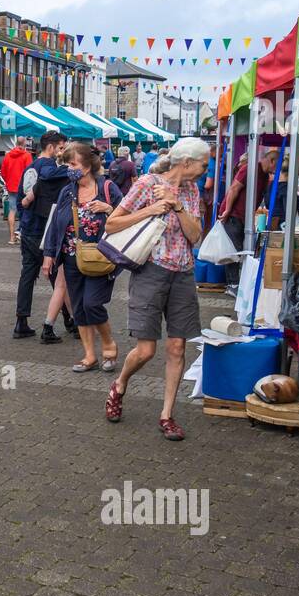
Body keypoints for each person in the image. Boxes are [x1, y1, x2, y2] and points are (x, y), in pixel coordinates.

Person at [103, 137, 209, 441]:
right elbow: (112, 224)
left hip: (183, 274)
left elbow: (195, 236)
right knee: (146, 350)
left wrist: (177, 205)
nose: (206, 169)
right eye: (203, 164)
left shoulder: (191, 190)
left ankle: (167, 415)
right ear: (186, 162)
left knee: (177, 347)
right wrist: (151, 210)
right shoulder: (147, 184)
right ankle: (120, 384)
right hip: (150, 272)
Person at [43, 143, 123, 372]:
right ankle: (89, 355)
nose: (69, 169)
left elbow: (127, 215)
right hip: (71, 257)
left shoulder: (107, 188)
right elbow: (55, 225)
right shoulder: (67, 191)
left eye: (73, 164)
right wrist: (48, 254)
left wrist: (108, 209)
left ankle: (108, 344)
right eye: (67, 164)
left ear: (87, 167)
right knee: (79, 307)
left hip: (101, 257)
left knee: (92, 303)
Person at [13, 133, 69, 339]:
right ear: (51, 147)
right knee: (58, 278)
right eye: (61, 148)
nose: (63, 152)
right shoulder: (49, 167)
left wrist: (24, 214)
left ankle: (21, 321)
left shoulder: (31, 167)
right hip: (43, 230)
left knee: (28, 275)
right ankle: (68, 320)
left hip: (28, 228)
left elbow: (21, 200)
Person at [218, 147, 277, 288]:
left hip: (244, 217)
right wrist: (227, 210)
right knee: (234, 249)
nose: (278, 169)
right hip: (233, 214)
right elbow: (234, 188)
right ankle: (233, 284)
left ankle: (237, 283)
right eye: (277, 165)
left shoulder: (264, 175)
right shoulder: (250, 169)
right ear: (272, 161)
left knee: (240, 248)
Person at [0, 139, 34, 245]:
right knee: (25, 210)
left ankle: (12, 237)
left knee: (12, 211)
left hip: (11, 186)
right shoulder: (27, 156)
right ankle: (21, 234)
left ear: (16, 143)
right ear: (24, 144)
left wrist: (8, 181)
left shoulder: (7, 156)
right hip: (24, 187)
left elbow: (3, 172)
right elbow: (30, 172)